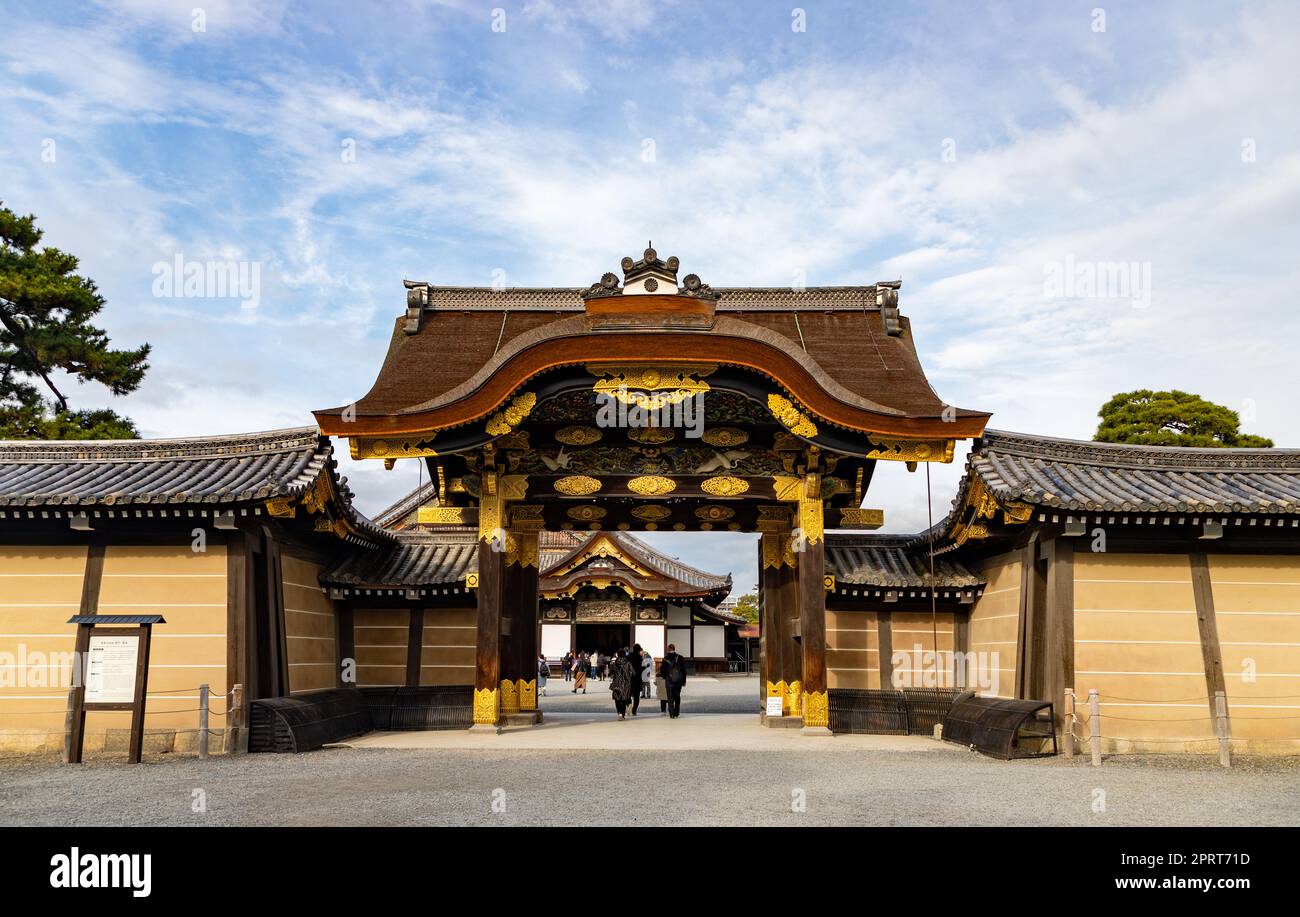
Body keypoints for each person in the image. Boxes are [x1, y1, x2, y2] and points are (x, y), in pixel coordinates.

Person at [661, 643, 687, 718]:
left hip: (669, 680)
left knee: (670, 697)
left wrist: (665, 677)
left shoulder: (665, 659)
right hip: (678, 680)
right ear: (674, 649)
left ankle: (671, 713)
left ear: (668, 649)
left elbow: (662, 670)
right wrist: (684, 681)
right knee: (677, 696)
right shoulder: (680, 657)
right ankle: (676, 712)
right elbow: (683, 670)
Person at [609, 649, 635, 720]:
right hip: (626, 684)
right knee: (623, 699)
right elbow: (633, 673)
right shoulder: (628, 663)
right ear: (624, 654)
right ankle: (623, 714)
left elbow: (610, 673)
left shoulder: (614, 664)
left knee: (617, 700)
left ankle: (619, 713)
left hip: (617, 683)